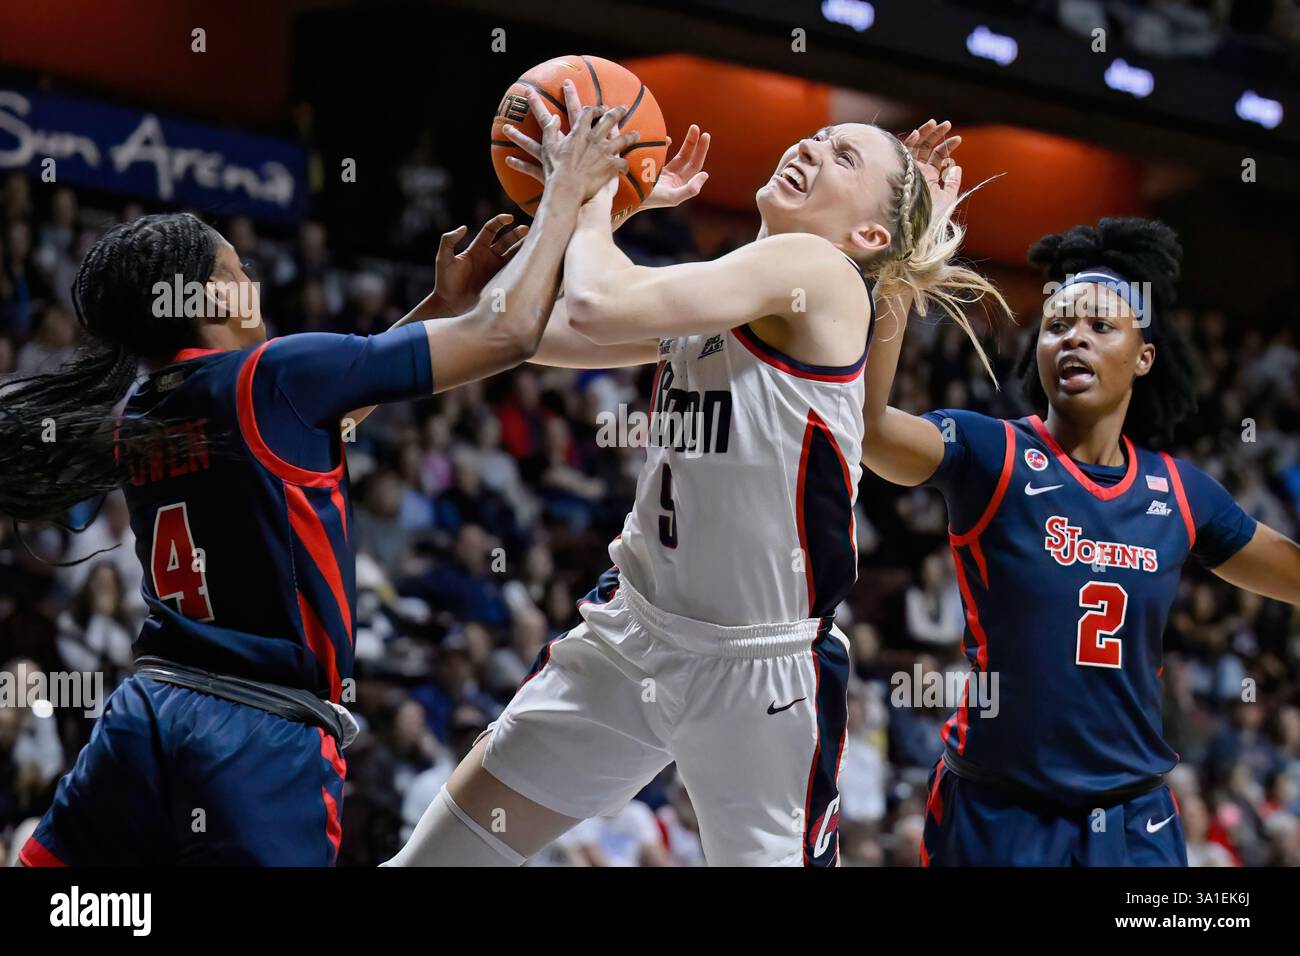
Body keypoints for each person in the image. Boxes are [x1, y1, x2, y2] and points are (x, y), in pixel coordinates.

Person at [388, 85, 1006, 866]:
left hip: (761, 673)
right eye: (816, 137)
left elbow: (595, 305)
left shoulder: (815, 271)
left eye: (843, 153)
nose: (812, 148)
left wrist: (594, 188)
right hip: (632, 637)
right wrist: (492, 283)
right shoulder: (734, 287)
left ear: (867, 233)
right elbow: (531, 336)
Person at [4, 102, 635, 865]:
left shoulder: (144, 406)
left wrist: (437, 310)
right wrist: (565, 191)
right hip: (255, 734)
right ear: (206, 300)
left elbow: (314, 420)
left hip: (148, 712)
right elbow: (511, 334)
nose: (254, 278)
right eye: (238, 268)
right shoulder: (273, 375)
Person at [858, 215, 1300, 865]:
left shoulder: (1180, 491)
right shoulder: (992, 452)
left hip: (1133, 814)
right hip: (999, 809)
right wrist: (898, 273)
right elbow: (868, 432)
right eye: (1058, 325)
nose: (1074, 339)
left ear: (1143, 356)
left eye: (1100, 326)